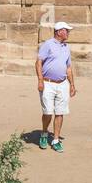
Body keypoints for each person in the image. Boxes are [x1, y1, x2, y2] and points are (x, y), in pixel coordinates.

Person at [35, 21, 76, 153]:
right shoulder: (48, 45)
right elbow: (39, 62)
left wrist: (72, 85)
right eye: (66, 30)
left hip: (62, 83)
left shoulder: (66, 47)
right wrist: (40, 80)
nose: (68, 33)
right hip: (48, 83)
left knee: (60, 112)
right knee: (47, 111)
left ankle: (56, 139)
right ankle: (44, 133)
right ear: (59, 32)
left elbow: (68, 67)